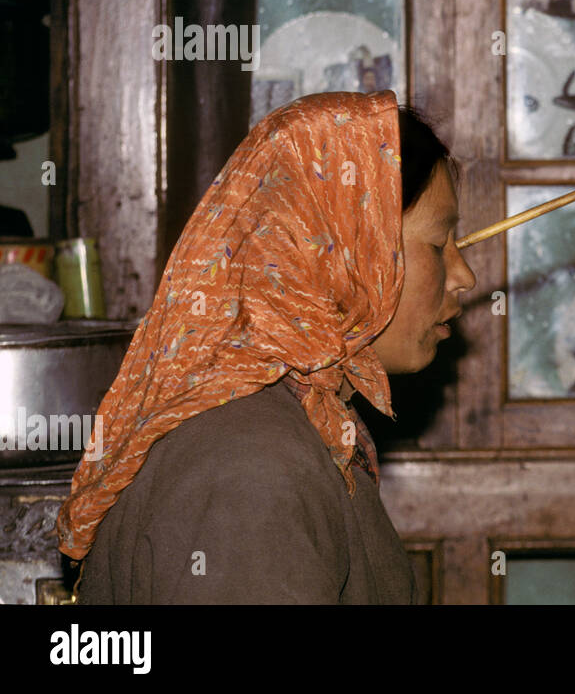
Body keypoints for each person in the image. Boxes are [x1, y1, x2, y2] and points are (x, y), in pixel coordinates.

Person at [57, 91, 475, 603]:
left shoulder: (303, 419)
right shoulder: (251, 468)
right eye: (438, 244)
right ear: (343, 250)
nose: (464, 276)